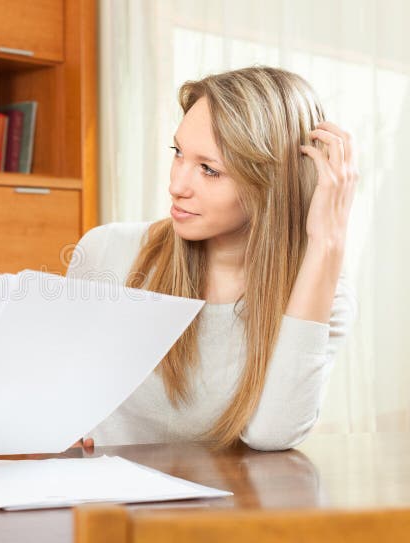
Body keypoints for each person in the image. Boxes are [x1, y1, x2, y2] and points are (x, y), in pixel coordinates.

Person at [68, 66, 357, 451]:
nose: (176, 186)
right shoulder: (107, 252)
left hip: (222, 507)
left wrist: (327, 242)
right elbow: (59, 401)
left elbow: (273, 434)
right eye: (178, 153)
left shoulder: (322, 294)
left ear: (273, 183)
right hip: (104, 506)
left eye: (209, 169)